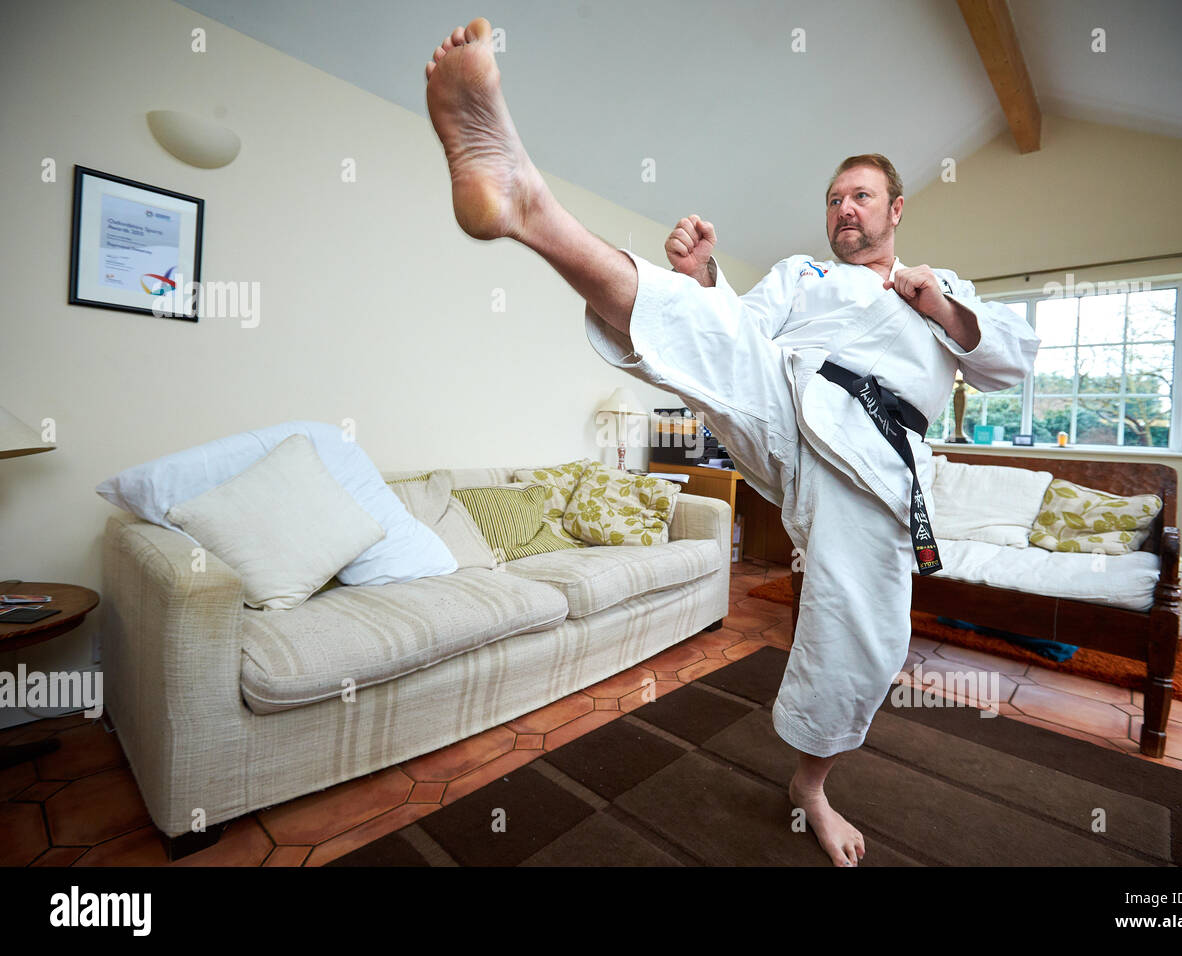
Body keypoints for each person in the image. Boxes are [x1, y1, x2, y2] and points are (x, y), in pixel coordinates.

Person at [423, 17, 1040, 867]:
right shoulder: (801, 276)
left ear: (896, 209)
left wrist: (937, 303)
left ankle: (809, 785)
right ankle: (528, 205)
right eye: (833, 198)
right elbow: (736, 335)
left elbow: (1013, 363)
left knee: (869, 642)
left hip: (874, 462)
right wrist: (708, 280)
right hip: (790, 396)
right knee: (707, 334)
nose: (843, 209)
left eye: (860, 196)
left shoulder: (936, 293)